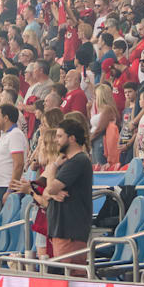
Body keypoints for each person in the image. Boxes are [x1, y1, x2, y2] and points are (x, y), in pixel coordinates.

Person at [45, 114, 94, 274]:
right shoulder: (67, 162)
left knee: (71, 279)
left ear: (72, 138)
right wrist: (51, 193)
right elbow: (47, 192)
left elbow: (51, 188)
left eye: (60, 136)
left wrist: (52, 170)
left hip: (70, 231)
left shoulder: (78, 161)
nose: (56, 140)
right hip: (61, 230)